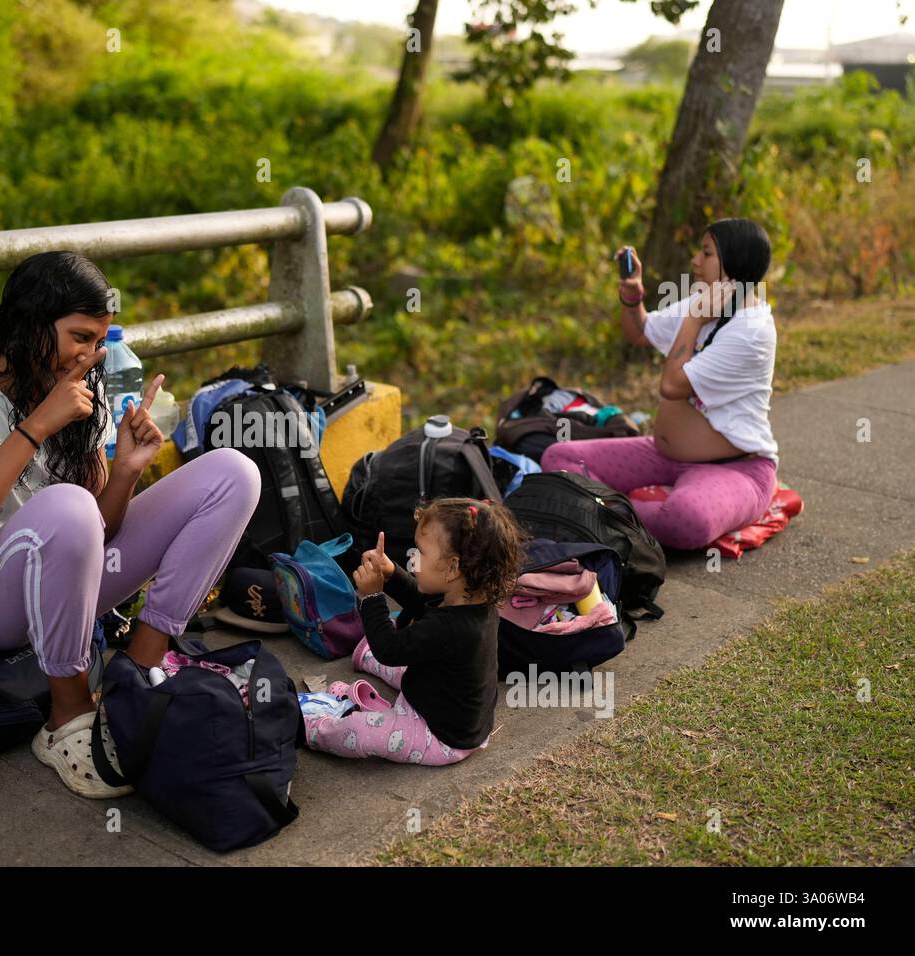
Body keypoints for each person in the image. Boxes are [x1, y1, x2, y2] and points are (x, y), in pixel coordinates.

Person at [0, 251, 261, 798]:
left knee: (234, 474)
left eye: (97, 341)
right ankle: (67, 716)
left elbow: (100, 530)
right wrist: (36, 424)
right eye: (78, 336)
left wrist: (124, 473)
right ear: (30, 323)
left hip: (61, 588)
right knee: (67, 505)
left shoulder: (82, 390)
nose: (90, 355)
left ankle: (138, 671)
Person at [542, 218, 778, 550]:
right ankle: (616, 514)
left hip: (736, 469)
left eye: (707, 253)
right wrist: (631, 294)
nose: (695, 261)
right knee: (559, 459)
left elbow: (672, 386)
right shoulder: (706, 303)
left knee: (687, 519)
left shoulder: (751, 331)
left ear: (734, 266)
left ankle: (600, 512)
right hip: (664, 454)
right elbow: (640, 332)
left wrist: (695, 319)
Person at [301, 498, 526, 766]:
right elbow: (422, 606)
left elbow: (389, 650)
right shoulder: (473, 603)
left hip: (439, 736)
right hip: (444, 699)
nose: (412, 557)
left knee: (361, 731)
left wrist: (372, 596)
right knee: (413, 660)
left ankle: (311, 727)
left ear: (453, 568)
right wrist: (391, 573)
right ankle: (365, 657)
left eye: (419, 552)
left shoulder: (450, 627)